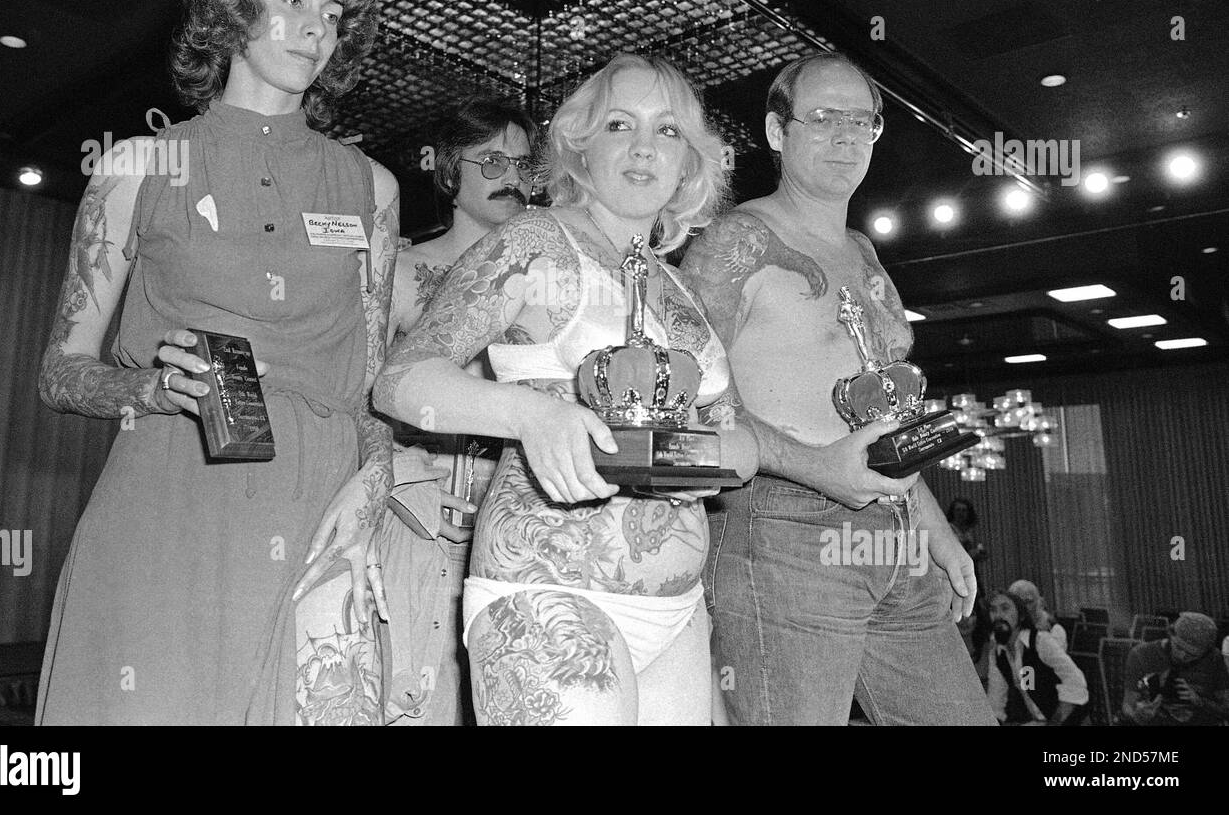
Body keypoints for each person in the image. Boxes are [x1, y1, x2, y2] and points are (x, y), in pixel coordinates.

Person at [35, 0, 400, 724]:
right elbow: (60, 371)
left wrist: (371, 493)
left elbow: (374, 388)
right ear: (237, 1)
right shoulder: (137, 166)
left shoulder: (371, 189)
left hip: (319, 507)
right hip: (169, 501)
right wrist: (152, 392)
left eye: (334, 14)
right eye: (295, 0)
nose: (316, 30)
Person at [375, 53, 759, 725]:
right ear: (578, 147)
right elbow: (403, 382)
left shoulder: (679, 291)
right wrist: (531, 416)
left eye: (668, 131)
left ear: (691, 161)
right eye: (620, 123)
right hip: (549, 599)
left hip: (676, 616)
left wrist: (709, 464)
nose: (645, 147)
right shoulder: (534, 243)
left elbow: (740, 440)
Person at [680, 51, 993, 725]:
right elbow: (682, 403)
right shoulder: (735, 243)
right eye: (823, 118)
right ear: (775, 131)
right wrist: (818, 465)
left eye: (863, 122)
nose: (846, 137)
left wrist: (935, 528)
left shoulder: (864, 253)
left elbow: (890, 413)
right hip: (784, 531)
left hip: (895, 534)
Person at [377, 94, 538, 724]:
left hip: (524, 532)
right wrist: (399, 485)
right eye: (491, 160)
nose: (510, 178)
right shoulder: (401, 271)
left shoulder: (551, 283)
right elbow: (355, 393)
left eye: (523, 163)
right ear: (448, 170)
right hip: (419, 524)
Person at [985, 590, 1090, 724]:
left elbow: (1076, 682)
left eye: (1005, 608)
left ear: (1021, 615)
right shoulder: (998, 654)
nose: (998, 615)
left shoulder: (1041, 641)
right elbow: (995, 701)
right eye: (993, 610)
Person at [1123, 611, 1229, 725]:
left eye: (1192, 654)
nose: (1182, 656)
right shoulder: (1142, 654)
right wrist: (1138, 714)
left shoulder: (1214, 659)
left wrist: (1198, 701)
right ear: (1170, 634)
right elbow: (1128, 705)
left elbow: (1226, 708)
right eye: (1178, 647)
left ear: (1206, 652)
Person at [1008, 578, 1067, 649]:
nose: (1023, 608)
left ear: (1040, 602)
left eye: (1028, 602)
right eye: (1018, 603)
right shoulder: (1008, 630)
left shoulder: (1054, 630)